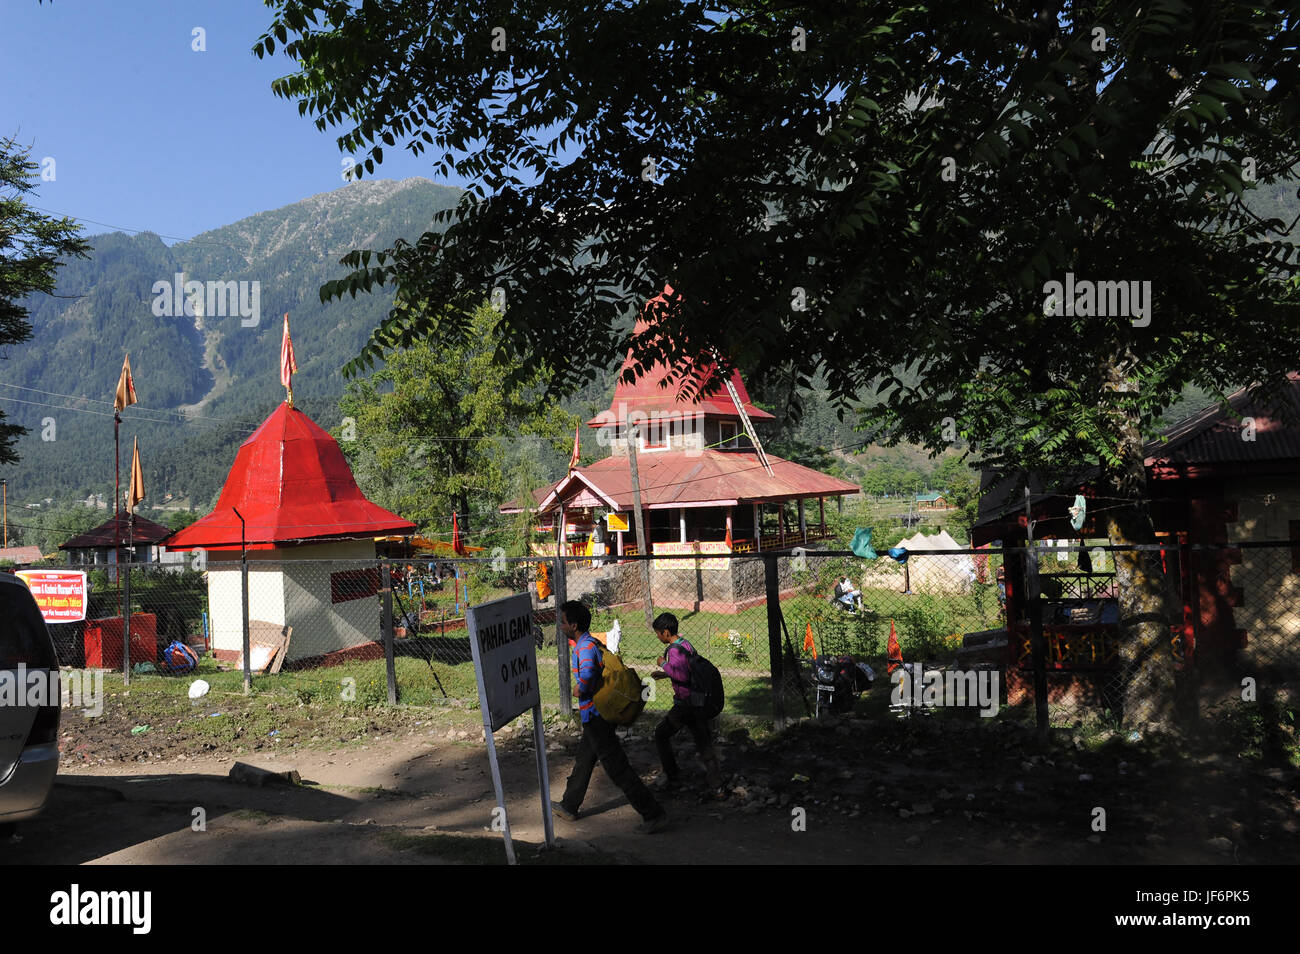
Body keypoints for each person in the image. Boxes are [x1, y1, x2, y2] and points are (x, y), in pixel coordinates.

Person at [552, 600, 668, 833]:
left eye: (562, 622)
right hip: (595, 716)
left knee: (617, 768)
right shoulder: (590, 642)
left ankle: (653, 814)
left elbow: (587, 676)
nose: (560, 626)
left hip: (598, 717)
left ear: (573, 625)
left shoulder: (584, 648)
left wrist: (578, 689)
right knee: (585, 759)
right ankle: (569, 805)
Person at [650, 612, 723, 794]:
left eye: (658, 633)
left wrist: (663, 664)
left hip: (685, 704)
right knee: (703, 742)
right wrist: (666, 674)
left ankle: (672, 776)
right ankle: (717, 786)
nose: (658, 637)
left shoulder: (673, 650)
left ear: (666, 632)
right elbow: (689, 671)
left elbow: (682, 676)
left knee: (661, 734)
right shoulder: (685, 643)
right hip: (697, 701)